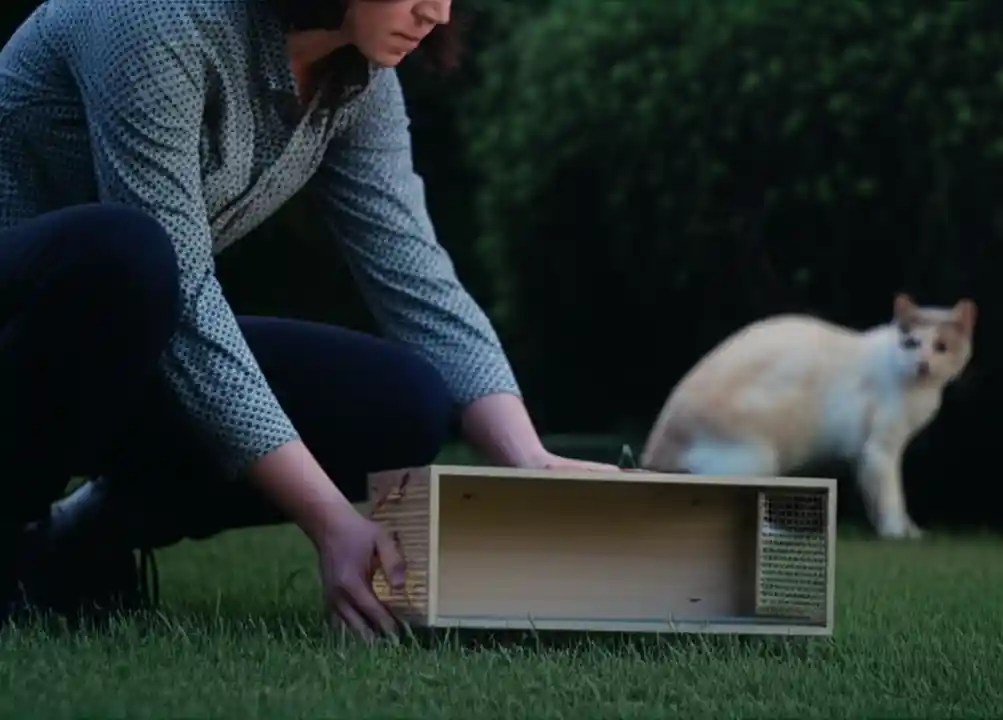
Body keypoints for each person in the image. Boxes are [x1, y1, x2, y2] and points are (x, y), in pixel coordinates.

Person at [0, 0, 615, 640]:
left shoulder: (356, 77)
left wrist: (530, 461)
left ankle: (84, 536)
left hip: (117, 351)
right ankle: (10, 537)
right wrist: (329, 522)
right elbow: (177, 281)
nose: (435, 11)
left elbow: (413, 274)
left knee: (402, 402)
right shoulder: (154, 19)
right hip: (25, 327)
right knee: (125, 251)